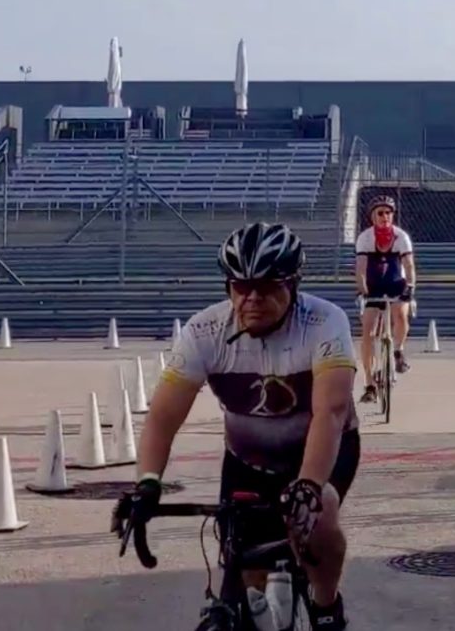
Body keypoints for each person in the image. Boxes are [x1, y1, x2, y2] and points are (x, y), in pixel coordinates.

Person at [114, 222, 358, 629]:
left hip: (322, 451)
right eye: (240, 286)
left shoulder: (324, 322)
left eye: (266, 286)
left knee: (319, 517)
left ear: (293, 284)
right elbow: (162, 417)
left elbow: (330, 412)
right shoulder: (205, 330)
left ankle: (325, 605)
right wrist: (148, 483)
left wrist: (310, 486)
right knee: (249, 584)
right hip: (248, 459)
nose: (252, 298)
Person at [354, 195, 416, 404]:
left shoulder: (401, 237)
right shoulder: (365, 238)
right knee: (368, 332)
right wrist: (363, 291)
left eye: (388, 213)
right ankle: (370, 383)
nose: (385, 217)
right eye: (380, 213)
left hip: (396, 283)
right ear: (372, 217)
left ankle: (398, 351)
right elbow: (361, 270)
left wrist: (410, 287)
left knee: (401, 315)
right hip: (374, 285)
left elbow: (408, 266)